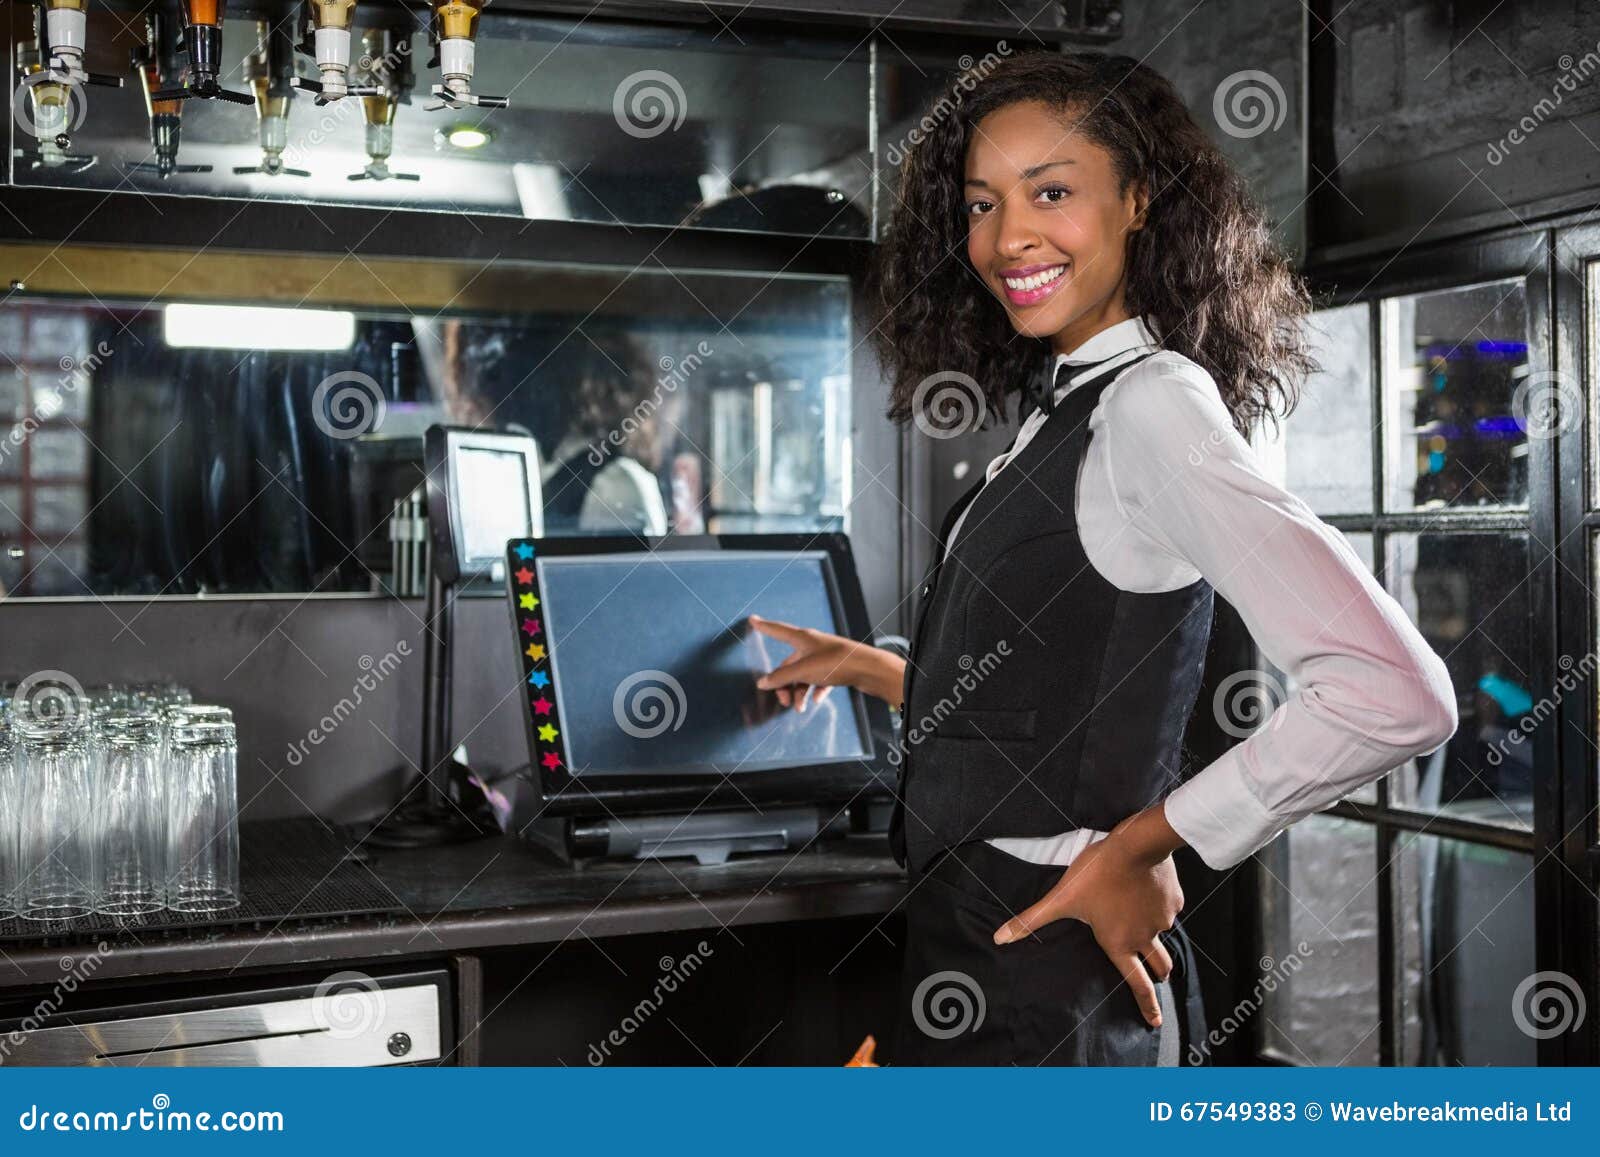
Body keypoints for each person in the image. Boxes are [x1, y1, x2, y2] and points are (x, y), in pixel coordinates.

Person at [748, 51, 1458, 1066]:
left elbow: (1396, 691)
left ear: (1135, 201)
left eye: (1052, 191)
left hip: (1052, 976)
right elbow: (1057, 703)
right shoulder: (1063, 408)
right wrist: (870, 667)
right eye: (982, 202)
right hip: (976, 950)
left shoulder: (1151, 404)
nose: (1007, 236)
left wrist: (1147, 843)